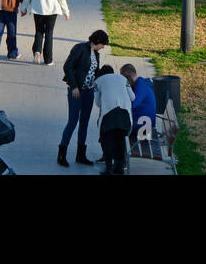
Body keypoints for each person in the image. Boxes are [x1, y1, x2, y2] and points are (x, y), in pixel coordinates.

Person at [59, 29, 109, 168]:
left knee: (84, 123)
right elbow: (67, 66)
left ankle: (81, 155)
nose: (103, 47)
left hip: (89, 91)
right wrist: (74, 86)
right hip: (77, 91)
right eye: (103, 44)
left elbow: (94, 72)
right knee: (73, 121)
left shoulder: (96, 54)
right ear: (98, 41)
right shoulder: (80, 48)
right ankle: (62, 154)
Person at [93, 65, 133, 175]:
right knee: (120, 141)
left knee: (106, 140)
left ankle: (108, 168)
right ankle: (119, 168)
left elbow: (98, 103)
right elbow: (133, 97)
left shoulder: (98, 81)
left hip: (108, 117)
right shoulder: (123, 79)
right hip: (124, 116)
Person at [121, 64, 157, 152]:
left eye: (123, 78)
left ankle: (121, 161)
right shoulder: (141, 83)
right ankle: (119, 159)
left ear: (127, 76)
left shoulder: (140, 87)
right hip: (144, 122)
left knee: (118, 128)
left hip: (145, 126)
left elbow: (132, 105)